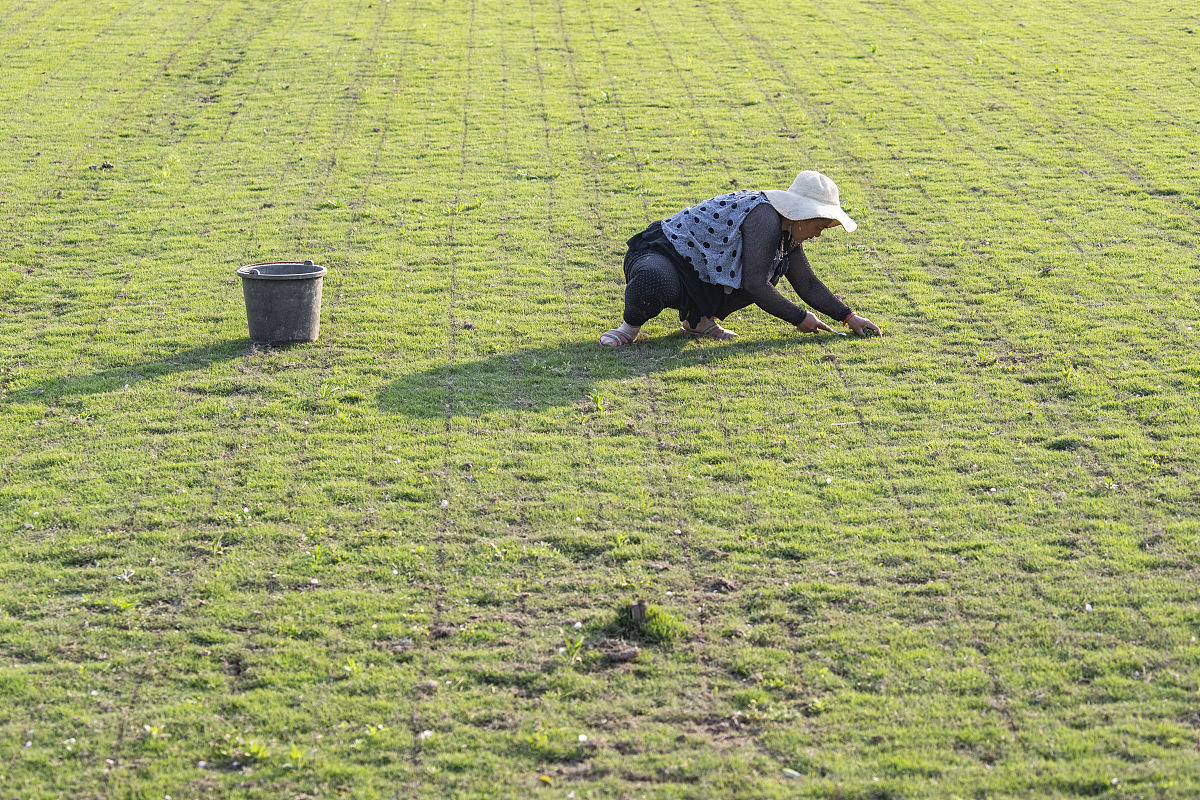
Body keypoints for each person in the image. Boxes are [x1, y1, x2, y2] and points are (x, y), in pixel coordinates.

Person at [599, 171, 882, 347]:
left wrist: (849, 317)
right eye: (819, 226)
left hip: (700, 271)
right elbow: (755, 284)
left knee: (771, 269)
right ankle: (629, 328)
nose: (817, 235)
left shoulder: (789, 233)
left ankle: (698, 321)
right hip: (664, 254)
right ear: (803, 215)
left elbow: (807, 283)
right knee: (654, 281)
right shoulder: (765, 218)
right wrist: (799, 317)